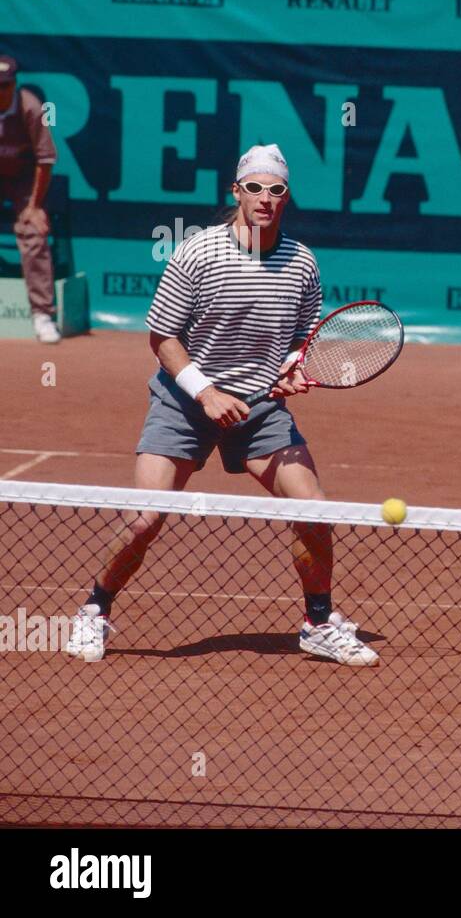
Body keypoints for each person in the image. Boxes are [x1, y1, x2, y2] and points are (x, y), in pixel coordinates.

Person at [63, 144, 378, 666]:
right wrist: (206, 394)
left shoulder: (301, 263)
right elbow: (162, 337)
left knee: (313, 511)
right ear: (236, 191)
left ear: (286, 197)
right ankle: (94, 609)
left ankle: (318, 622)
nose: (265, 199)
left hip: (259, 412)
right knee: (145, 520)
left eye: (276, 189)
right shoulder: (198, 252)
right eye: (254, 187)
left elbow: (304, 335)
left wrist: (294, 368)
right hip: (184, 403)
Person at [0, 53, 60, 344]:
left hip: (24, 179)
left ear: (14, 84)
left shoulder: (31, 108)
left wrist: (34, 206)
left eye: (5, 86)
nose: (0, 91)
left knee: (33, 231)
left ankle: (42, 314)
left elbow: (45, 159)